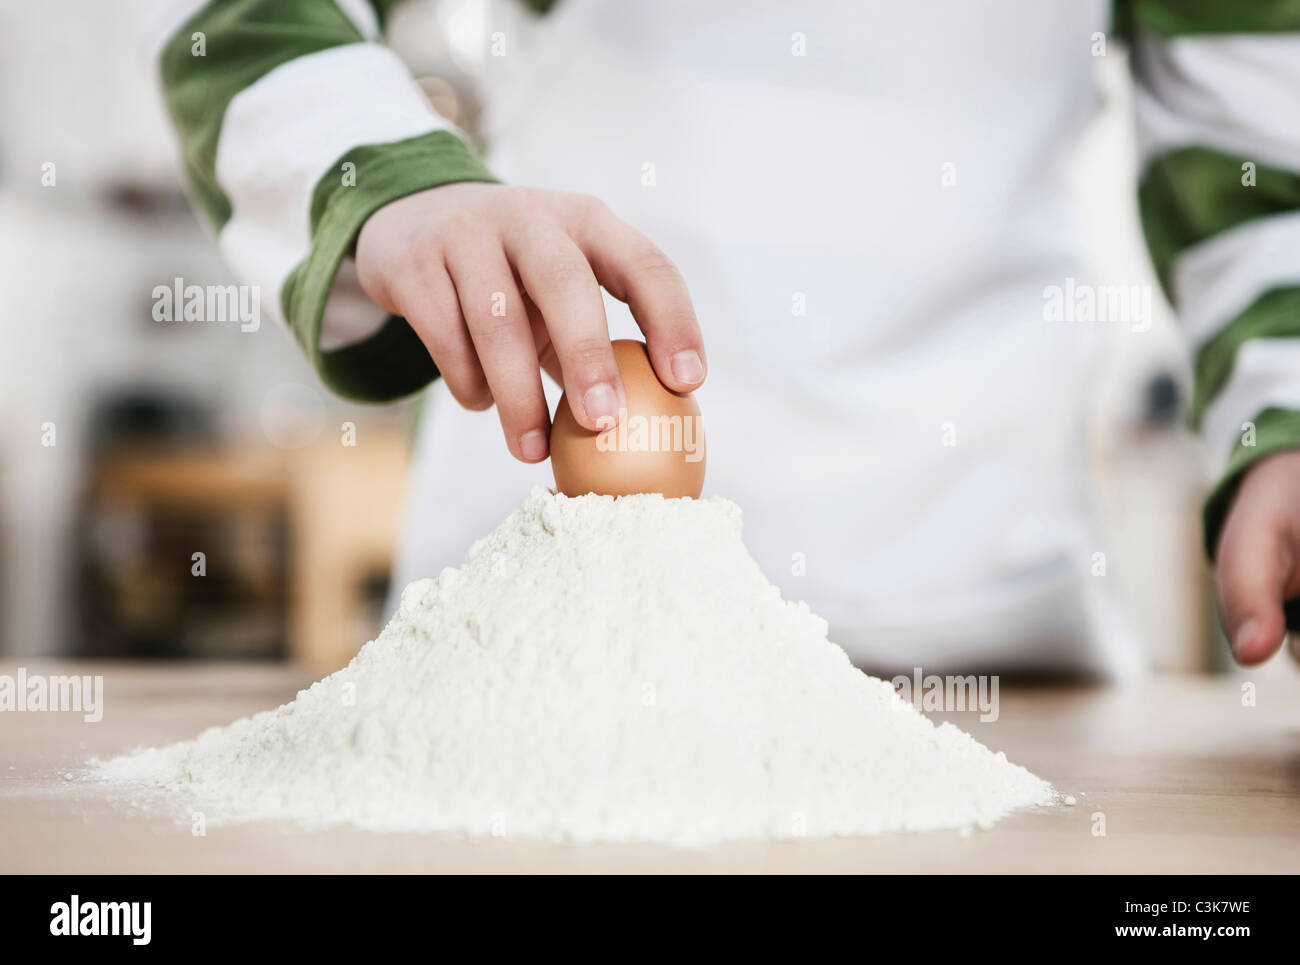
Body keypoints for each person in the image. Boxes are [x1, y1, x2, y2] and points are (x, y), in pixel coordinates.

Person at [147, 0, 1300, 676]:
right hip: (526, 651)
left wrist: (1286, 410)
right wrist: (383, 179)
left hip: (980, 626)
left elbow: (1259, 143)